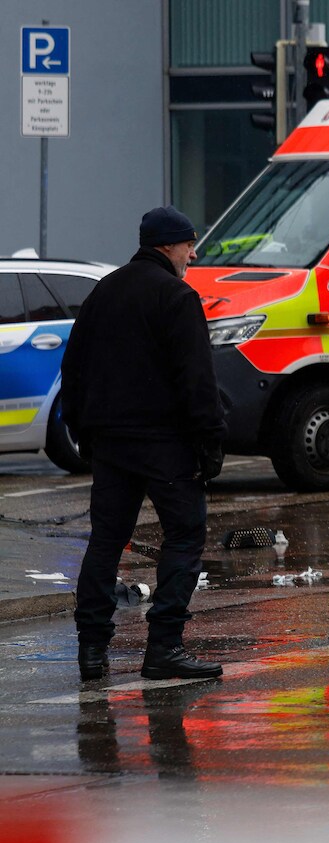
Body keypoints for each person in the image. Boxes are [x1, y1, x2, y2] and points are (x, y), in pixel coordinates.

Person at [62, 206, 227, 682]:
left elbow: (73, 367)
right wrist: (211, 440)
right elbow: (196, 378)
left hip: (110, 443)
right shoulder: (176, 296)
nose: (193, 254)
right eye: (189, 245)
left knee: (106, 540)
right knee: (185, 535)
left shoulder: (104, 291)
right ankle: (164, 648)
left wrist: (82, 430)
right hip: (165, 445)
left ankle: (92, 650)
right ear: (167, 245)